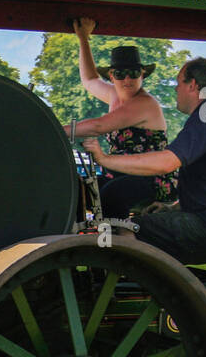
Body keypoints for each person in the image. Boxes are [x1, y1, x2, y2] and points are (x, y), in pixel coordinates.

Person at [82, 56, 206, 265]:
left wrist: (104, 159)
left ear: (193, 85)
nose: (176, 90)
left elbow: (167, 162)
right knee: (139, 226)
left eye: (179, 83)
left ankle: (124, 290)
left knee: (126, 230)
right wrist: (175, 207)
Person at [69, 18, 177, 217]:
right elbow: (90, 79)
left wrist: (54, 130)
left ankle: (122, 240)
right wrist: (83, 37)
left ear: (142, 74)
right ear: (111, 75)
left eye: (133, 73)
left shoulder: (145, 103)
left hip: (149, 177)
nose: (127, 79)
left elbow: (99, 126)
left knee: (111, 194)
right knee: (77, 190)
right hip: (119, 172)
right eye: (120, 74)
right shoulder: (113, 95)